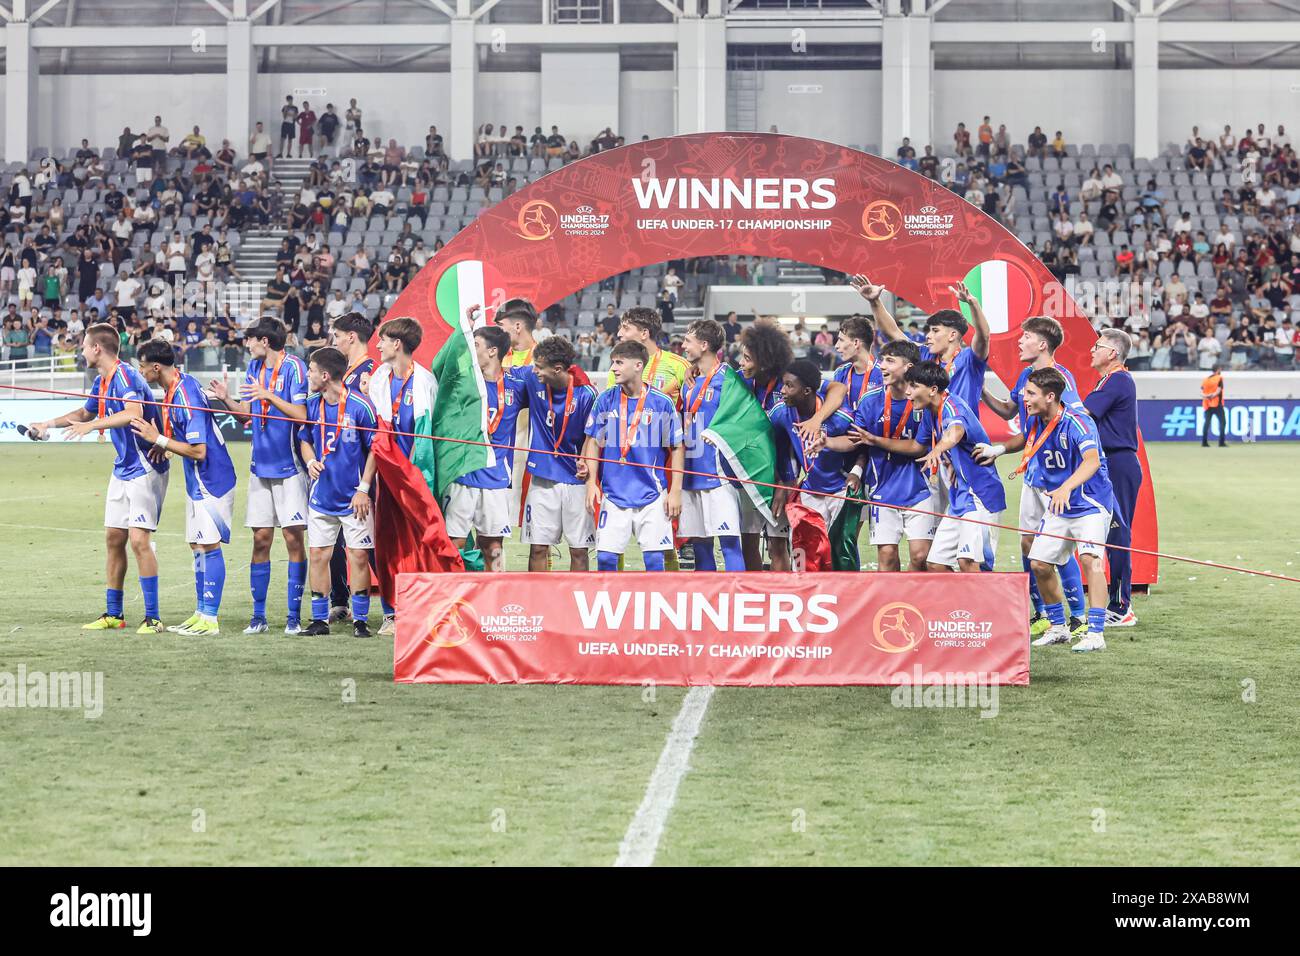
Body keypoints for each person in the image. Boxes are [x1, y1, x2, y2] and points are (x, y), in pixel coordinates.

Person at [26, 324, 170, 632]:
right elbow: (85, 413)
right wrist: (47, 423)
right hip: (122, 468)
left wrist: (92, 428)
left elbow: (133, 412)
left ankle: (153, 618)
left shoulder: (127, 375)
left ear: (97, 349)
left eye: (83, 345)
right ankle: (114, 614)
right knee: (113, 538)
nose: (79, 350)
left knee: (138, 541)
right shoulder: (102, 381)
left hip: (145, 467)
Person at [978, 316, 1090, 636]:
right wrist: (980, 386)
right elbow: (1009, 412)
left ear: (1042, 344)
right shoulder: (1026, 376)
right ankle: (1042, 613)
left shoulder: (1061, 380)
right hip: (1032, 473)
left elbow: (1074, 424)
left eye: (1025, 337)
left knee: (1057, 547)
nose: (1019, 341)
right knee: (1028, 544)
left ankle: (1078, 617)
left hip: (1057, 478)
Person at [207, 317, 310, 635]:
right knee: (260, 539)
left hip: (290, 466)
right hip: (259, 466)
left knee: (293, 539)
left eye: (249, 339)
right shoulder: (254, 370)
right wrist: (226, 399)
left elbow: (302, 415)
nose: (246, 344)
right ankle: (259, 617)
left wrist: (269, 396)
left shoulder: (295, 368)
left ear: (265, 341)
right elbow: (247, 418)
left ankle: (293, 617)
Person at [131, 338, 237, 636]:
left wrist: (159, 439)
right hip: (197, 481)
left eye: (142, 367)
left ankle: (211, 618)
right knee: (197, 545)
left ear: (155, 367)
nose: (140, 373)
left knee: (208, 545)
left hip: (212, 478)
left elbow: (199, 450)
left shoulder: (185, 394)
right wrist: (164, 445)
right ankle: (201, 611)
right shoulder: (177, 386)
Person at [1012, 368, 1115, 653]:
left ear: (1051, 396)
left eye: (1031, 393)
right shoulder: (1036, 422)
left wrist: (1066, 487)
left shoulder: (1078, 422)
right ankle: (1058, 628)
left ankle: (1095, 633)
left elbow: (1091, 461)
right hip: (1060, 506)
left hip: (1091, 504)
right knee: (1039, 564)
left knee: (1091, 560)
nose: (1025, 398)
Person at [872, 361, 1005, 572]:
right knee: (935, 564)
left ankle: (986, 605)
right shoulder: (929, 413)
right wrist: (874, 440)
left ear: (933, 389)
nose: (907, 392)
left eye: (913, 386)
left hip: (980, 496)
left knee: (969, 562)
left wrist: (937, 451)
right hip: (960, 497)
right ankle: (960, 604)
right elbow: (917, 445)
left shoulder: (953, 406)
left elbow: (955, 432)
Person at [819, 340, 938, 572]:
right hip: (882, 488)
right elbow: (857, 441)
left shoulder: (922, 401)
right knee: (887, 557)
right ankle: (893, 606)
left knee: (920, 556)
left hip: (920, 488)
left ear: (908, 367)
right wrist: (829, 442)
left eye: (890, 361)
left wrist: (875, 440)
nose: (882, 366)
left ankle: (914, 603)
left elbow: (919, 448)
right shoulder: (869, 401)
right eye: (882, 360)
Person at [581, 340, 684, 571]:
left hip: (653, 495)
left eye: (619, 362)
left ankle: (653, 607)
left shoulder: (662, 402)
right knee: (606, 559)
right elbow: (594, 443)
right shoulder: (605, 399)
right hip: (613, 493)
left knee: (655, 562)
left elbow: (677, 447)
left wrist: (675, 491)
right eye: (612, 363)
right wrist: (591, 484)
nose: (613, 368)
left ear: (638, 365)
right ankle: (611, 605)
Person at [297, 346, 378, 638]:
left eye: (311, 371)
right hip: (321, 496)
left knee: (358, 556)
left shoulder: (360, 406)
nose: (308, 375)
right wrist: (309, 461)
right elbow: (304, 438)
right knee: (318, 555)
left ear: (325, 375)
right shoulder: (311, 405)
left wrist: (364, 489)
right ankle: (319, 620)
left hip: (353, 498)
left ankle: (360, 620)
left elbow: (375, 450)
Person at [366, 317, 436, 634]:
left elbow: (425, 439)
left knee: (418, 545)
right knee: (387, 543)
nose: (378, 345)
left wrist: (416, 480)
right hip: (387, 477)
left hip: (414, 479)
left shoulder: (424, 381)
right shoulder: (380, 377)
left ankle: (421, 609)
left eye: (383, 340)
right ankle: (391, 613)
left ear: (398, 344)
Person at [511, 335, 599, 571]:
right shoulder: (532, 378)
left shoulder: (587, 395)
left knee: (579, 551)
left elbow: (593, 438)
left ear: (557, 369)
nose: (535, 370)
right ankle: (537, 601)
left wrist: (584, 461)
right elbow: (499, 372)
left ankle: (574, 604)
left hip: (576, 482)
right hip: (542, 479)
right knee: (538, 547)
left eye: (540, 367)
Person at [443, 325, 526, 572]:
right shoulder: (462, 381)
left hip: (496, 478)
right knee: (454, 544)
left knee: (493, 547)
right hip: (462, 476)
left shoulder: (517, 384)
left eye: (476, 345)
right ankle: (453, 602)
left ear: (492, 351)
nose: (471, 350)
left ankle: (494, 599)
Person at [851, 274, 991, 414]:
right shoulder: (925, 354)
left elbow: (983, 336)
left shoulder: (970, 359)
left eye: (935, 331)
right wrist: (874, 302)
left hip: (962, 433)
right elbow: (893, 332)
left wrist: (973, 303)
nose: (928, 336)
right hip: (932, 431)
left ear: (952, 335)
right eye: (929, 331)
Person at [678, 319, 745, 572]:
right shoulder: (690, 380)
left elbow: (743, 422)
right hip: (690, 473)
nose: (683, 346)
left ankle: (736, 603)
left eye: (688, 341)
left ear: (704, 345)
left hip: (720, 476)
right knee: (700, 545)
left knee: (729, 544)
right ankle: (710, 606)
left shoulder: (729, 379)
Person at [1083, 328, 1140, 627]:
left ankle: (1121, 606)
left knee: (1118, 532)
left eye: (1097, 346)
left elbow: (1084, 414)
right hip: (1111, 462)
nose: (1092, 350)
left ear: (1112, 353)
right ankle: (1115, 603)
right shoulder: (1109, 380)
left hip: (1118, 462)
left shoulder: (1117, 379)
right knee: (1109, 531)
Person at [324, 312, 376, 623]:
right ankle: (339, 600)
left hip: (362, 475)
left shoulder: (372, 373)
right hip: (334, 471)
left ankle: (388, 611)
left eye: (337, 337)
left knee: (364, 543)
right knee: (335, 540)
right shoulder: (343, 372)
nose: (334, 342)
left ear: (351, 338)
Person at [768, 359, 856, 535]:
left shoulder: (840, 416)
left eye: (789, 386)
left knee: (840, 553)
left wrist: (856, 473)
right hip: (809, 488)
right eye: (783, 384)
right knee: (805, 549)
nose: (782, 391)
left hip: (840, 490)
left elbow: (859, 444)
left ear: (807, 391)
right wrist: (783, 482)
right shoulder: (780, 413)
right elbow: (778, 448)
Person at [736, 319, 793, 571]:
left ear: (766, 360)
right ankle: (757, 601)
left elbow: (834, 388)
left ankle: (783, 599)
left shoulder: (789, 385)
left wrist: (783, 483)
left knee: (777, 546)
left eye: (747, 358)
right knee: (747, 543)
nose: (741, 363)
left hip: (780, 479)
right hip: (748, 477)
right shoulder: (739, 382)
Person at [607, 307, 691, 404]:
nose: (619, 333)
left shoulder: (679, 365)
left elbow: (693, 410)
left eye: (626, 328)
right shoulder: (618, 367)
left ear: (644, 333)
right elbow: (610, 407)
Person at [1200, 363, 1227, 447]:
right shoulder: (1219, 378)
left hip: (1207, 404)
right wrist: (1212, 396)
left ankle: (1204, 442)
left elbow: (1201, 392)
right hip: (1217, 404)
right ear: (1218, 369)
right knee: (1222, 423)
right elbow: (1218, 391)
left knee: (1206, 423)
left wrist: (1207, 396)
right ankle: (1221, 443)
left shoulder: (1205, 380)